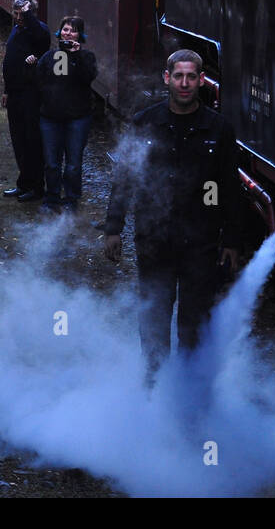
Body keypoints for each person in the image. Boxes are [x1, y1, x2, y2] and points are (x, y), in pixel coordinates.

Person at [103, 49, 243, 382]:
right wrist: (113, 227)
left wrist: (232, 240)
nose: (184, 83)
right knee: (153, 315)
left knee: (194, 320)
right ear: (167, 78)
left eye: (191, 77)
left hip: (201, 241)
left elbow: (230, 188)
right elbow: (125, 177)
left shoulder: (219, 129)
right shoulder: (144, 123)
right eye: (178, 76)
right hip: (154, 239)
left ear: (201, 81)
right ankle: (153, 387)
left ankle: (187, 390)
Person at [36, 15, 97, 210]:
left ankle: (71, 198)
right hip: (51, 118)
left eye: (72, 30)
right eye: (65, 29)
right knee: (52, 162)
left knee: (73, 163)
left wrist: (76, 56)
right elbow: (39, 80)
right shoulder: (50, 56)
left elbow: (88, 78)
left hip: (77, 118)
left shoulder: (87, 57)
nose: (68, 33)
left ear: (80, 35)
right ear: (59, 32)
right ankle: (52, 196)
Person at [2, 0, 50, 201]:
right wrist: (6, 90)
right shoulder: (16, 29)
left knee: (32, 141)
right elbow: (10, 62)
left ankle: (37, 187)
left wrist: (28, 14)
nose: (18, 17)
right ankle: (23, 183)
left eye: (21, 13)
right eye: (16, 13)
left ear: (31, 13)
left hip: (30, 94)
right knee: (18, 141)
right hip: (14, 92)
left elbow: (41, 40)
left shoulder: (38, 30)